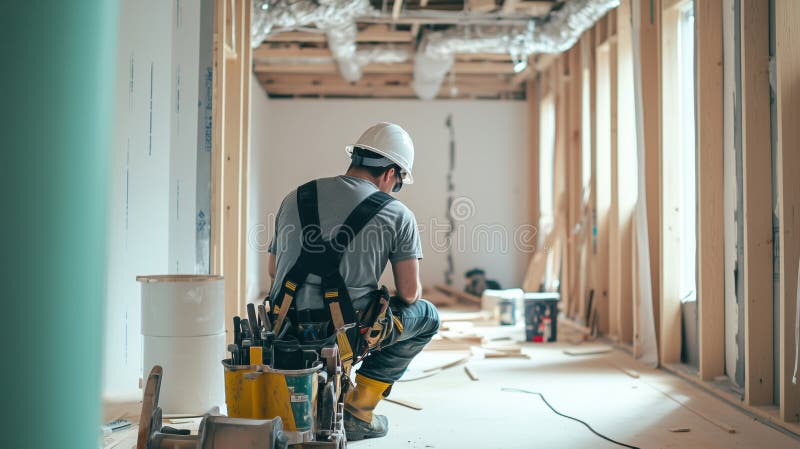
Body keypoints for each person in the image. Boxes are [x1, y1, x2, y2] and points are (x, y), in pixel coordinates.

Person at [267, 122, 440, 441]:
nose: (395, 189)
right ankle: (359, 411)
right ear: (390, 173)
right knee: (428, 316)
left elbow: (273, 270)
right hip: (345, 335)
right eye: (398, 182)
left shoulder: (296, 196)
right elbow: (410, 292)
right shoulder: (397, 214)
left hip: (283, 330)